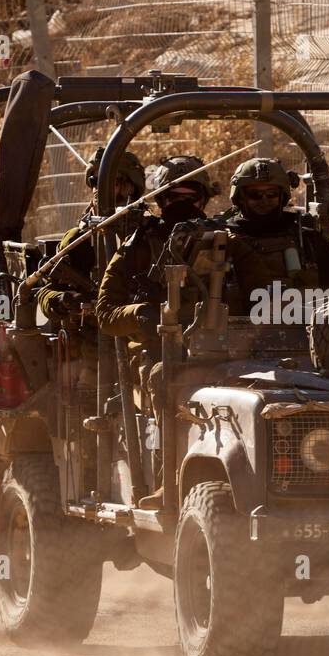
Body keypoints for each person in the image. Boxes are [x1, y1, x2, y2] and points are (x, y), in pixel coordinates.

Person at [95, 154, 268, 508]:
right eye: (173, 197)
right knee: (164, 379)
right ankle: (168, 482)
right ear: (159, 200)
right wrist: (143, 314)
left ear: (203, 199)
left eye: (190, 196)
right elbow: (105, 312)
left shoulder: (229, 240)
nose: (182, 205)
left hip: (230, 351)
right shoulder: (139, 245)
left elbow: (265, 295)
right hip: (160, 353)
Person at [35, 147, 146, 329]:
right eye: (94, 181)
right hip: (91, 343)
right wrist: (61, 301)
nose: (98, 189)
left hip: (139, 334)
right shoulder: (78, 239)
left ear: (131, 187)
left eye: (112, 181)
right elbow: (45, 293)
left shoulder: (148, 234)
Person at [224, 156, 329, 294]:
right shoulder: (225, 240)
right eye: (255, 194)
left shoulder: (307, 240)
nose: (264, 200)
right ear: (240, 198)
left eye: (272, 194)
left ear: (282, 196)